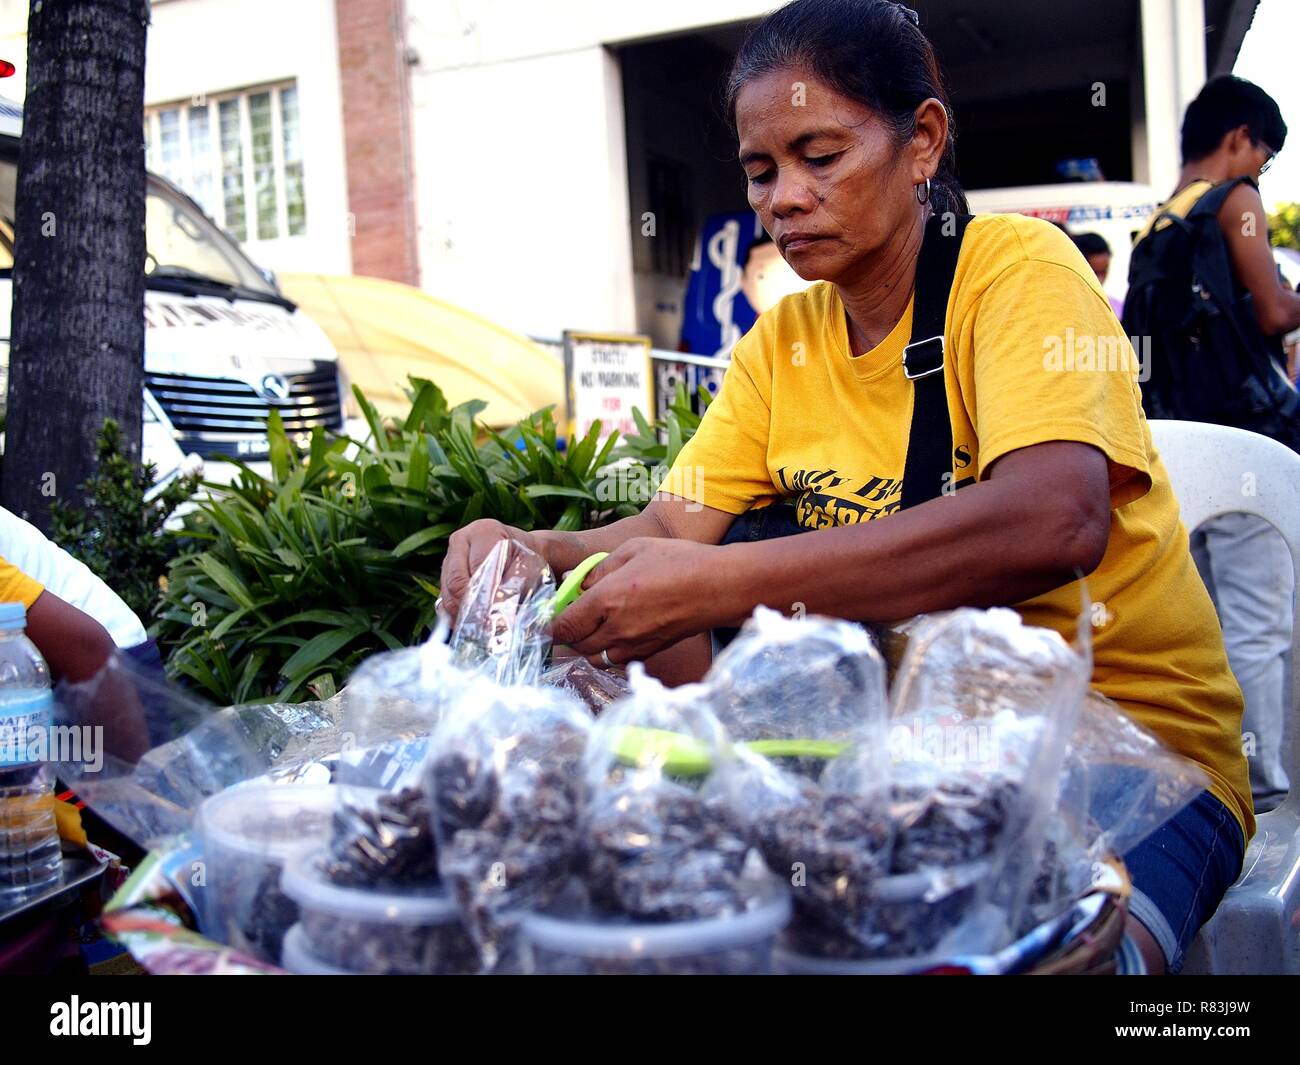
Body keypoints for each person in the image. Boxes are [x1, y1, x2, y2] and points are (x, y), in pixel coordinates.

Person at [441, 0, 1251, 974]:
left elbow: (1054, 518)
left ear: (921, 143)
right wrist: (528, 552)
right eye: (760, 170)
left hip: (1138, 760)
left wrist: (720, 585)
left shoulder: (1014, 271)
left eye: (819, 157)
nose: (784, 198)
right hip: (917, 762)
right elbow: (668, 524)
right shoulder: (778, 346)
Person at [1124, 75, 1300, 814]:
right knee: (1258, 620)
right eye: (1261, 155)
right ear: (1237, 139)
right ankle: (1259, 784)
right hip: (1247, 443)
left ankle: (1208, 775)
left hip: (1177, 447)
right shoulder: (1235, 204)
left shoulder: (1158, 223)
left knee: (1204, 623)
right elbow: (1274, 310)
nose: (1259, 171)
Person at [1071, 231, 1124, 318]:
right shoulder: (1067, 309)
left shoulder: (1117, 308)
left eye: (1103, 272)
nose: (1100, 280)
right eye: (1094, 273)